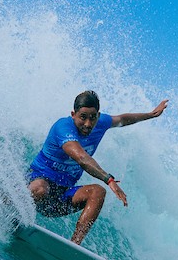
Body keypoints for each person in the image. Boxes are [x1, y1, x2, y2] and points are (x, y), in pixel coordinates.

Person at [27, 90, 168, 244]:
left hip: (59, 198)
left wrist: (151, 114)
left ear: (98, 116)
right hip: (35, 185)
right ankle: (12, 211)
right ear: (73, 114)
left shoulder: (100, 123)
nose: (88, 123)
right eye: (83, 117)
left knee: (97, 192)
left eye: (92, 118)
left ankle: (74, 246)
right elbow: (82, 158)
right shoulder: (63, 127)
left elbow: (122, 119)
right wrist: (108, 179)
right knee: (40, 188)